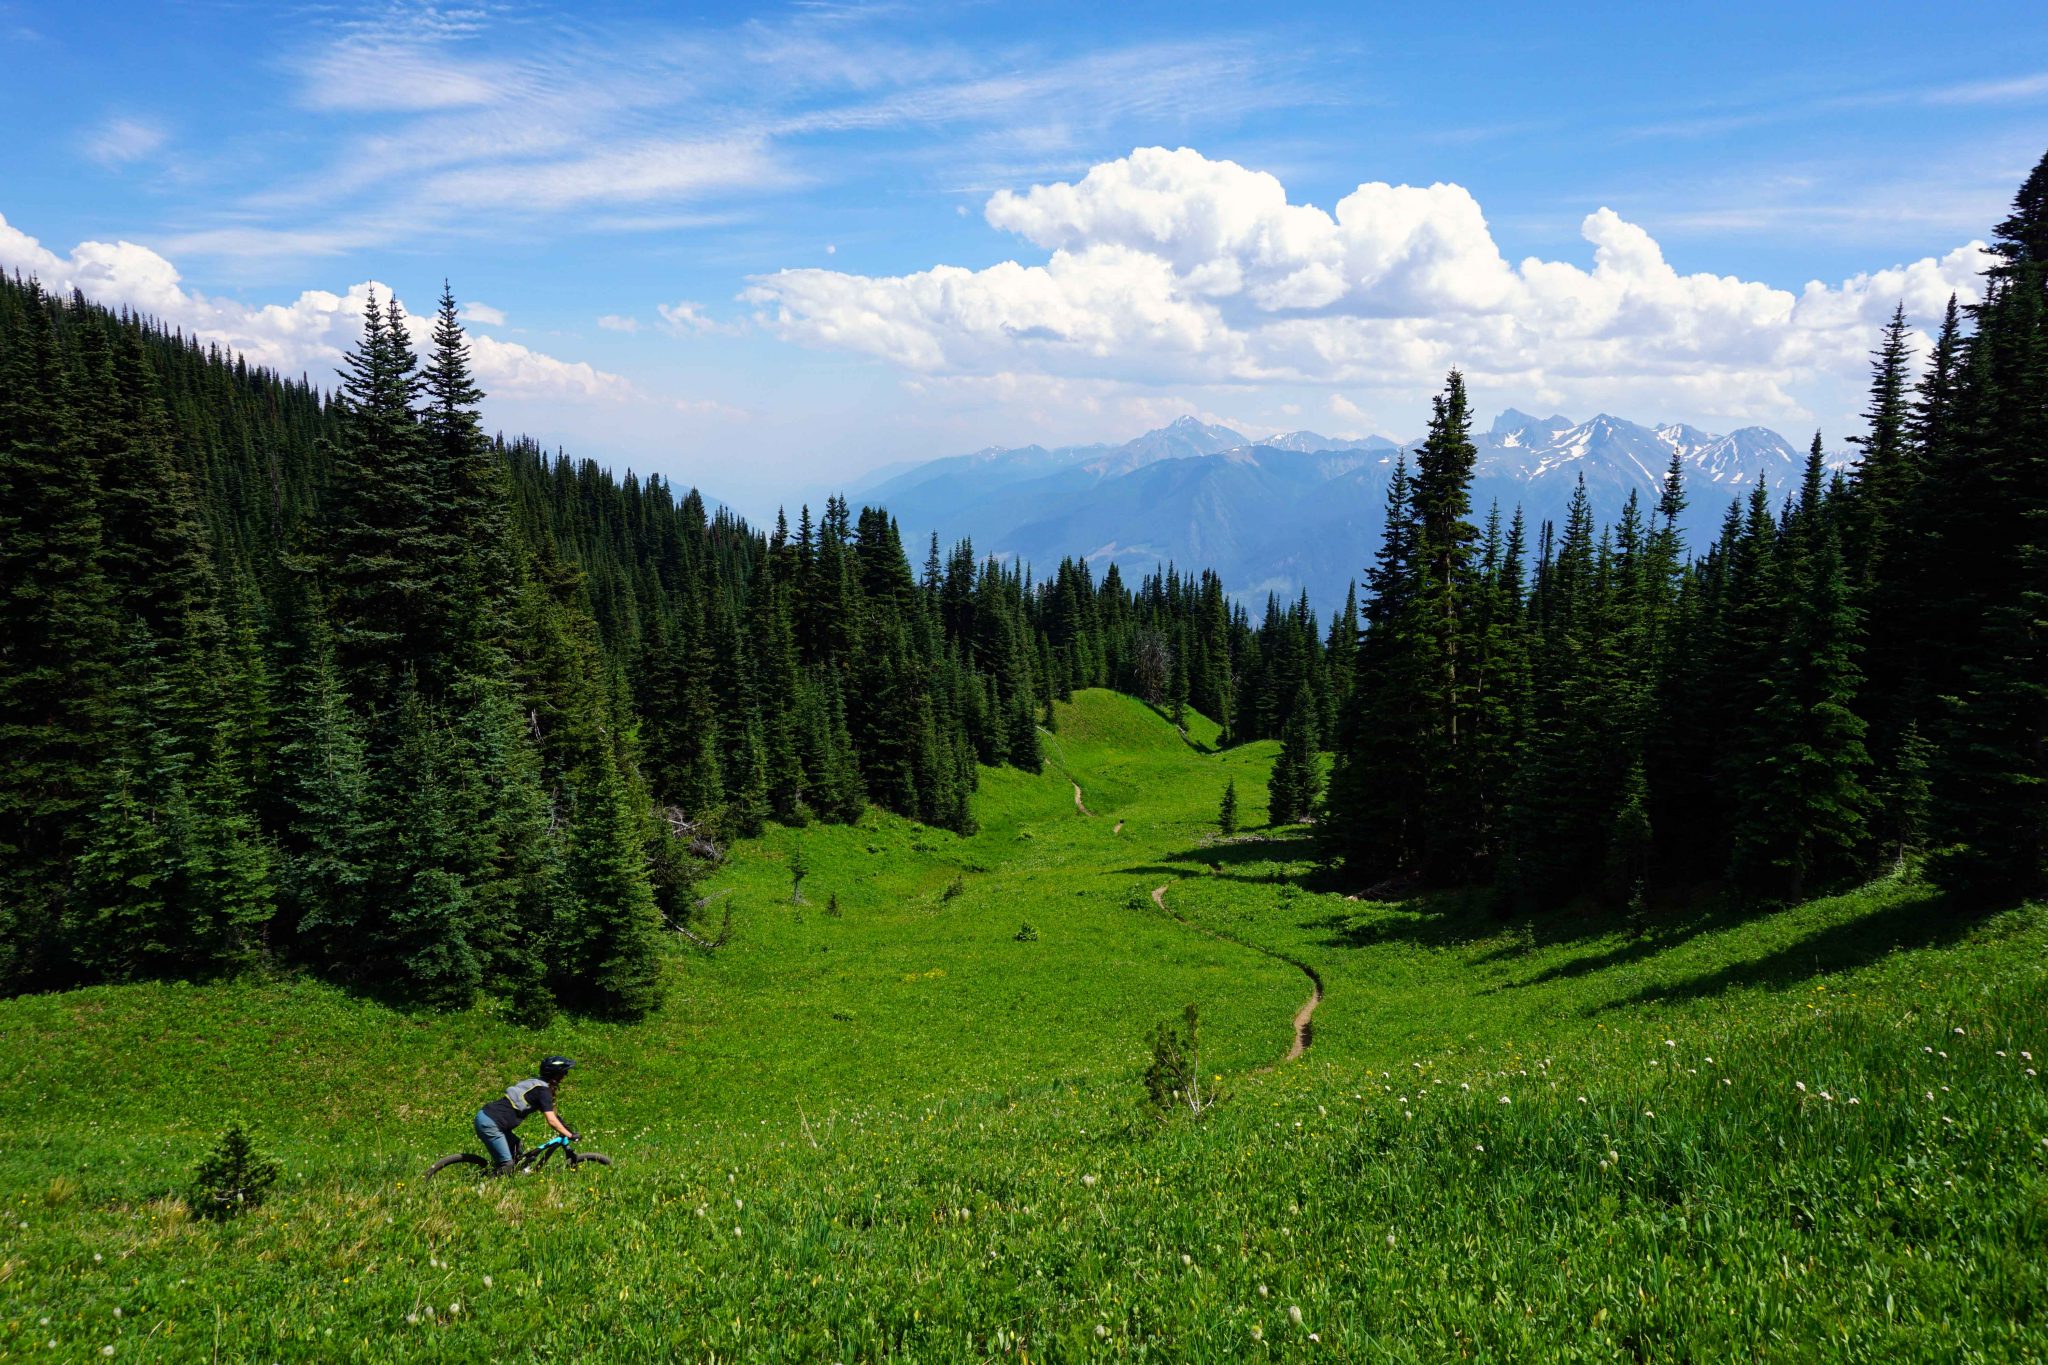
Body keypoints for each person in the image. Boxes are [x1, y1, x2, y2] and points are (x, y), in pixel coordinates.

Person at [474, 1056, 578, 1174]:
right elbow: (552, 1121)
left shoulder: (538, 1085)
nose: (566, 1075)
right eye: (565, 1072)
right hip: (490, 1123)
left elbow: (554, 1116)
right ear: (557, 1074)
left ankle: (514, 1174)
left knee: (516, 1149)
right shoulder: (543, 1091)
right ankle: (489, 1185)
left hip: (488, 1118)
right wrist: (569, 1135)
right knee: (507, 1165)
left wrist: (567, 1130)